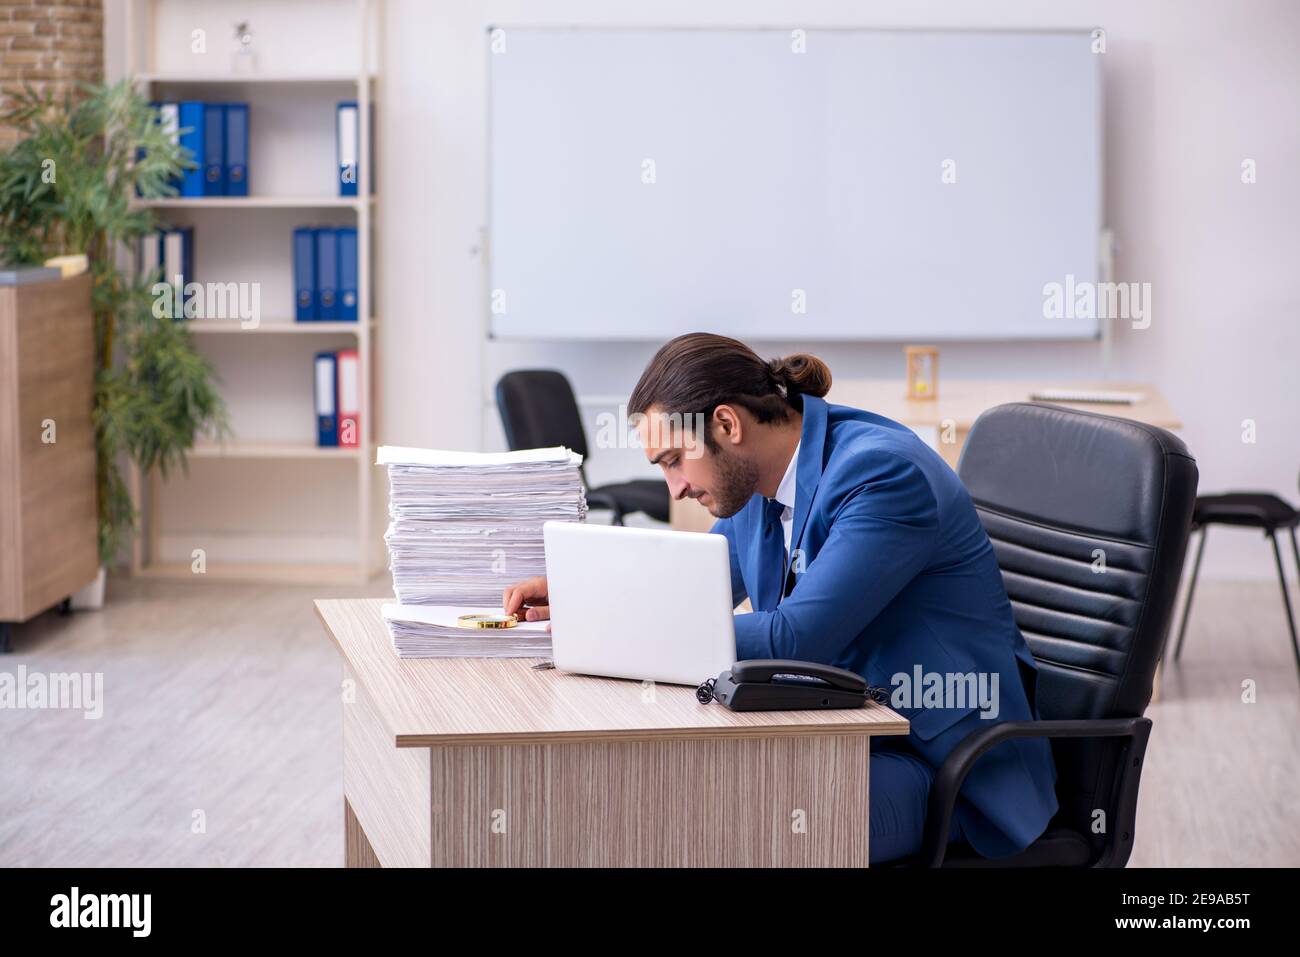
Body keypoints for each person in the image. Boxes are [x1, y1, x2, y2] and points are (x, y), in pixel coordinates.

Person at [504, 332, 1057, 863]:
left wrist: (603, 624)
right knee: (657, 787)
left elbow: (797, 639)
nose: (674, 488)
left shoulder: (883, 474)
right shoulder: (753, 481)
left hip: (939, 762)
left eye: (675, 459)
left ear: (726, 424)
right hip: (844, 726)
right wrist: (582, 592)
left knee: (715, 819)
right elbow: (702, 587)